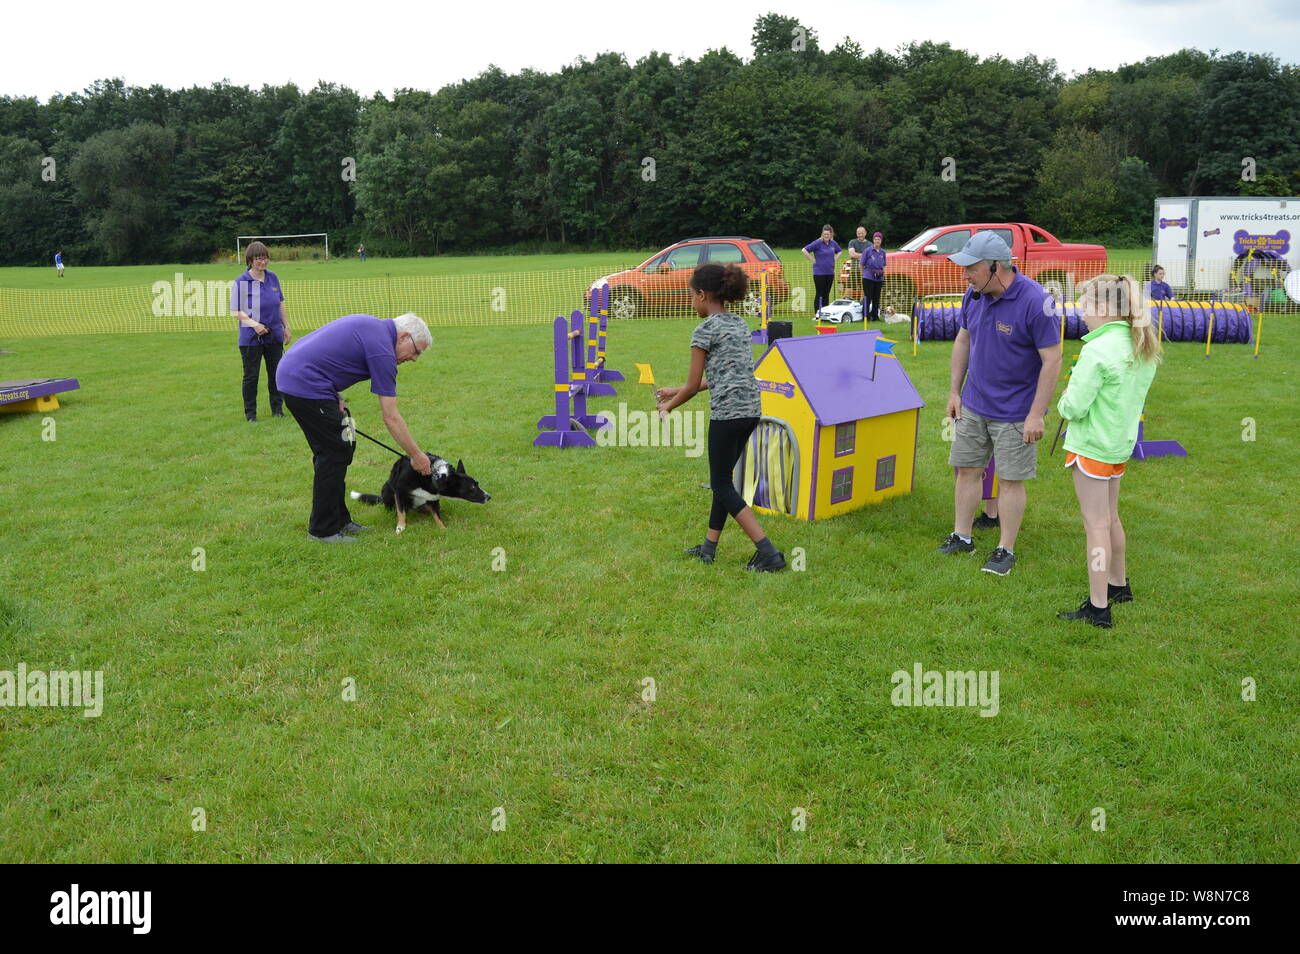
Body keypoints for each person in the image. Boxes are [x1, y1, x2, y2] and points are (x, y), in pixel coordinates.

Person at [938, 231, 1062, 575]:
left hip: (1016, 412)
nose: (964, 275)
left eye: (970, 269)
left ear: (996, 266)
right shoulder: (972, 295)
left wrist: (1036, 414)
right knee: (966, 469)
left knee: (1009, 480)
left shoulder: (1036, 301)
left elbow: (1052, 359)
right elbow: (963, 340)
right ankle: (962, 536)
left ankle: (1005, 549)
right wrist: (954, 391)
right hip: (975, 403)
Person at [655, 263, 785, 571]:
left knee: (721, 484)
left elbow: (691, 386)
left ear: (701, 295)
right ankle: (708, 549)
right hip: (751, 411)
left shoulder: (703, 330)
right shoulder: (739, 325)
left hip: (727, 415)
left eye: (691, 296)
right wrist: (676, 390)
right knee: (722, 480)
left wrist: (668, 406)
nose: (690, 302)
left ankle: (768, 553)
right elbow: (720, 376)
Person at [1055, 274, 1162, 628]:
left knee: (1096, 526)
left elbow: (1075, 407)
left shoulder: (1097, 349)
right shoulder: (1140, 343)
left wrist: (1064, 402)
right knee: (1111, 517)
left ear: (1103, 308)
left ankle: (1099, 606)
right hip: (1118, 446)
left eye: (1085, 306)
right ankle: (1119, 585)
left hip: (1093, 447)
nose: (1082, 313)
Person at [274, 312, 434, 543]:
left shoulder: (374, 327)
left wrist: (334, 395)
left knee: (342, 448)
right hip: (302, 384)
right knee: (333, 453)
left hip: (305, 379)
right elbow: (391, 417)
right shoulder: (383, 351)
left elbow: (327, 352)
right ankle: (323, 531)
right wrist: (416, 455)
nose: (414, 358)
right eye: (416, 351)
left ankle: (339, 519)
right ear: (404, 337)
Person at [230, 241, 291, 422]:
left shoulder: (273, 278)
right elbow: (235, 311)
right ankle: (251, 415)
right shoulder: (242, 282)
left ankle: (278, 410)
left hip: (274, 335)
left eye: (265, 258)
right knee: (251, 377)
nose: (262, 262)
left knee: (276, 374)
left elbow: (280, 303)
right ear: (250, 260)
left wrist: (286, 327)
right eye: (258, 259)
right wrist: (254, 324)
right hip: (251, 338)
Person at [802, 225, 841, 315]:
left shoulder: (833, 243)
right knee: (819, 293)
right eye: (825, 234)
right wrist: (812, 259)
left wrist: (835, 258)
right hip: (819, 273)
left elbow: (840, 251)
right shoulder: (817, 243)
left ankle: (825, 313)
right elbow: (804, 250)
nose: (826, 236)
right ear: (822, 234)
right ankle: (817, 313)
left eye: (828, 234)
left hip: (830, 272)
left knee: (826, 294)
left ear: (831, 234)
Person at [860, 231, 887, 320]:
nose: (877, 241)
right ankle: (865, 316)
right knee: (868, 297)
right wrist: (864, 274)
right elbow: (861, 264)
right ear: (873, 240)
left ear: (881, 241)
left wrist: (883, 276)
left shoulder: (883, 252)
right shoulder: (867, 251)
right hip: (868, 277)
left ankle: (875, 316)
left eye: (878, 239)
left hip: (879, 278)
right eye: (875, 239)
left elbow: (884, 265)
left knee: (876, 298)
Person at [847, 226, 869, 299]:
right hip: (854, 270)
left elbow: (870, 257)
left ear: (865, 233)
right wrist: (864, 255)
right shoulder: (852, 242)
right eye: (859, 233)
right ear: (856, 234)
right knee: (849, 287)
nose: (860, 235)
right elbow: (852, 254)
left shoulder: (870, 244)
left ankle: (863, 303)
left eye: (862, 233)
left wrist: (858, 255)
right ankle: (846, 302)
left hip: (865, 270)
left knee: (865, 287)